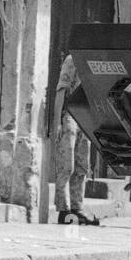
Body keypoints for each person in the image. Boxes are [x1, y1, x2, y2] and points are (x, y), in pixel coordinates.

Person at [51, 53, 97, 225]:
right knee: (66, 166)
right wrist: (57, 123)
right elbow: (61, 90)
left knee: (82, 165)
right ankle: (64, 210)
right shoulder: (73, 59)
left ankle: (77, 209)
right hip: (69, 116)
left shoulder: (95, 60)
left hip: (86, 118)